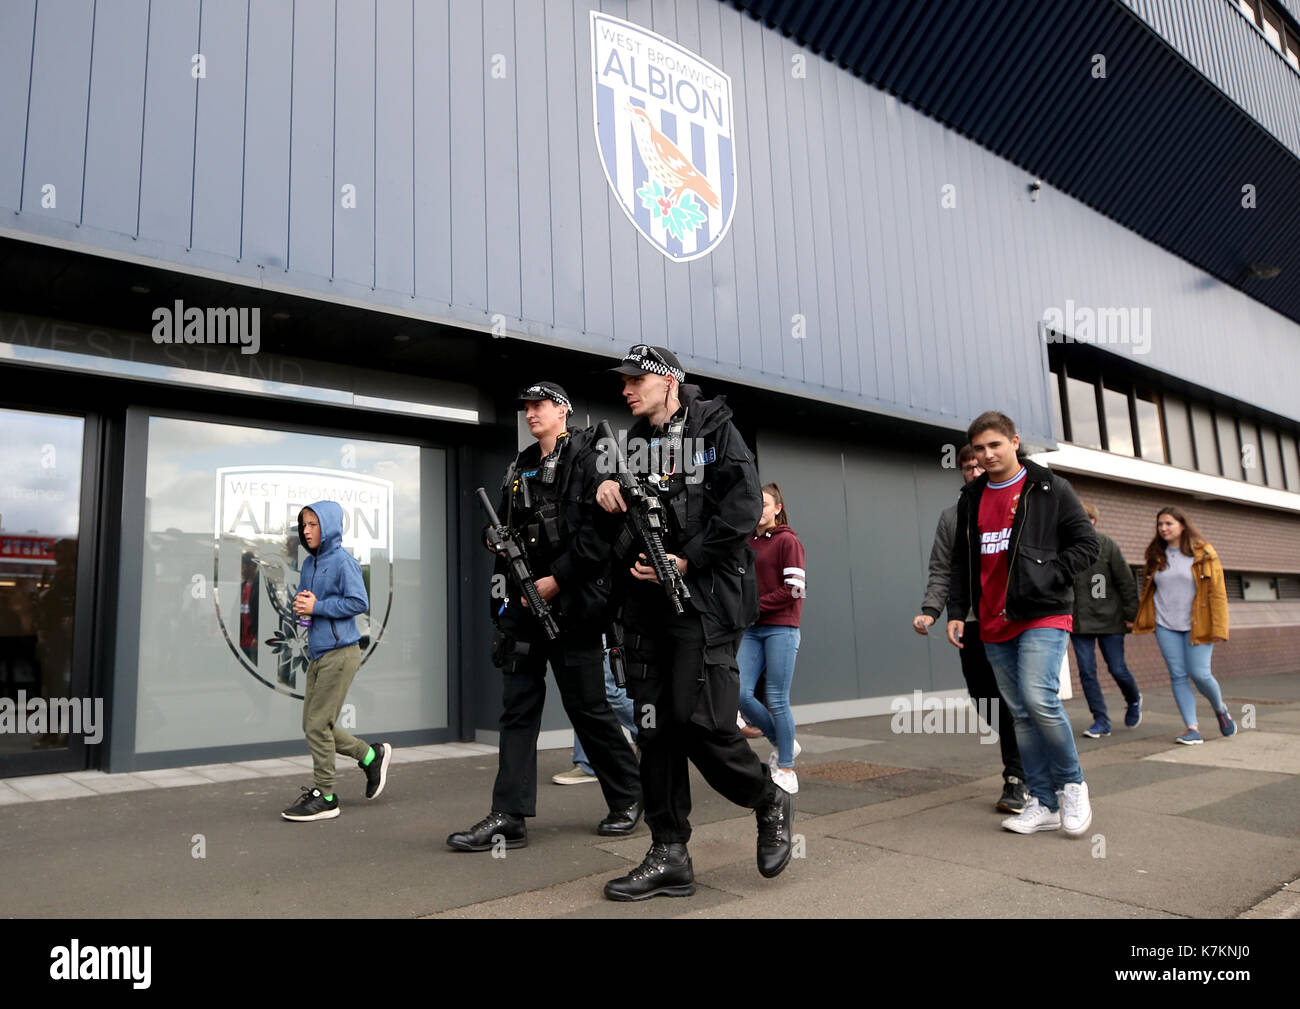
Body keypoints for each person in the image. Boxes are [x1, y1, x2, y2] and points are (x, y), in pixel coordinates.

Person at [596, 344, 792, 900]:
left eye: (638, 379)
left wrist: (688, 559)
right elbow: (617, 522)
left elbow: (743, 505)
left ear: (669, 382)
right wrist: (605, 491)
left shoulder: (713, 427)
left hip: (702, 600)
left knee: (700, 721)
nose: (627, 389)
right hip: (646, 606)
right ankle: (669, 851)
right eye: (624, 381)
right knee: (655, 727)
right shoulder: (632, 444)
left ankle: (768, 798)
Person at [447, 382, 642, 851]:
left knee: (587, 708)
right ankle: (508, 816)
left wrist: (557, 579)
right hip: (523, 608)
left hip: (572, 605)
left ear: (562, 410)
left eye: (539, 406)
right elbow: (507, 534)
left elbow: (602, 534)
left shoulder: (589, 457)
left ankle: (628, 796)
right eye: (526, 407)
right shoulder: (518, 466)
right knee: (517, 710)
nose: (530, 414)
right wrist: (498, 567)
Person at [946, 411, 1099, 837]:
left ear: (1015, 441)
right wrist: (957, 611)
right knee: (1020, 713)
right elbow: (963, 560)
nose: (987, 454)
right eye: (979, 448)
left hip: (1044, 611)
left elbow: (1086, 544)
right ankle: (1044, 802)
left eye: (994, 445)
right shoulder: (971, 497)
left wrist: (1049, 573)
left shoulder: (1048, 487)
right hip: (994, 619)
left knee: (1039, 698)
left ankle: (1073, 785)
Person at [913, 444, 1027, 814]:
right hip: (974, 622)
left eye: (980, 466)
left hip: (1017, 618)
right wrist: (931, 610)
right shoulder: (953, 517)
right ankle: (1027, 753)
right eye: (968, 468)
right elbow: (941, 569)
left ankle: (1017, 777)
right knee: (984, 697)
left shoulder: (1019, 503)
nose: (975, 473)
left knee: (1014, 698)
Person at [281, 502, 392, 821]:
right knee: (316, 724)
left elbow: (359, 602)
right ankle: (370, 756)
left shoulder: (344, 562)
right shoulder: (308, 565)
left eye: (313, 524)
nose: (306, 530)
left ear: (328, 526)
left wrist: (317, 607)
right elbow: (308, 602)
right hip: (317, 652)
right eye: (303, 525)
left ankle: (326, 794)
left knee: (317, 725)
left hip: (341, 652)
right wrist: (302, 610)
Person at [1132, 506, 1235, 744]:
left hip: (1197, 623)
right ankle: (1192, 728)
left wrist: (1219, 627)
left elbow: (1218, 593)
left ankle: (1220, 709)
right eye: (1160, 524)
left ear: (1182, 525)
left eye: (1168, 523)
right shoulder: (1156, 555)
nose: (1163, 528)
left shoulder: (1204, 553)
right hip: (1165, 624)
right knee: (1178, 675)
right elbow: (1149, 591)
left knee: (1200, 674)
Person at [738, 482, 805, 793]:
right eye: (755, 504)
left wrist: (754, 606)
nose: (759, 509)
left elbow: (795, 589)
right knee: (739, 693)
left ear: (777, 508)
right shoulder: (747, 541)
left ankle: (787, 767)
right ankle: (783, 740)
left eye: (765, 504)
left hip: (781, 627)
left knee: (777, 698)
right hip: (752, 628)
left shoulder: (787, 541)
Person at [1070, 501, 1142, 738]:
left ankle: (1133, 698)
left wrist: (1132, 615)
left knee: (1118, 668)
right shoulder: (1065, 547)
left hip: (1110, 620)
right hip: (1079, 623)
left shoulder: (1107, 545)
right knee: (1086, 671)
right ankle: (1101, 720)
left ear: (1093, 521)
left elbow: (1126, 582)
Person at [552, 651, 638, 784]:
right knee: (583, 691)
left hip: (601, 632)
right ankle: (589, 762)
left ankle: (653, 737)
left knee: (607, 690)